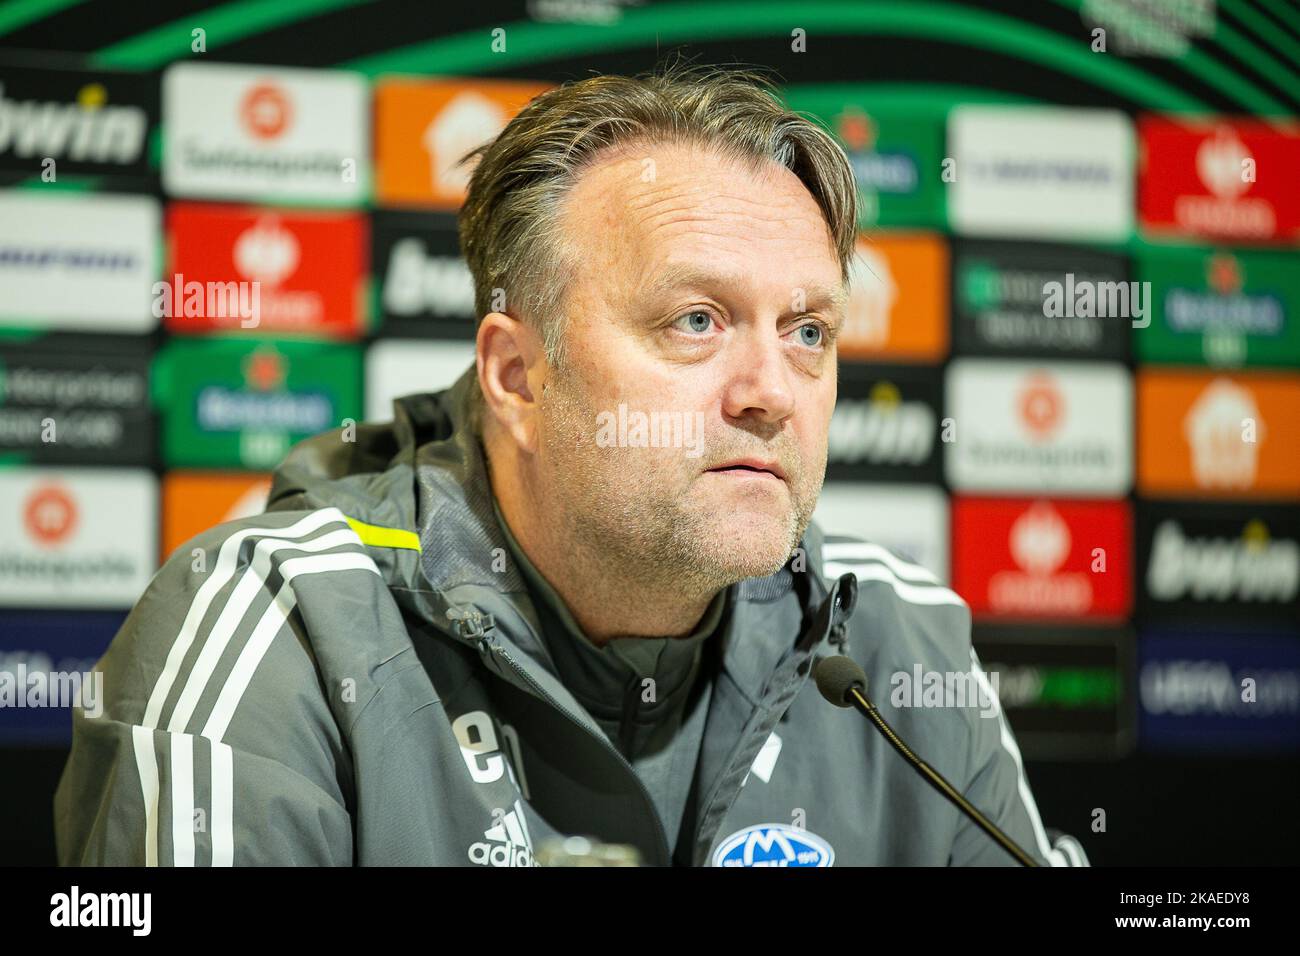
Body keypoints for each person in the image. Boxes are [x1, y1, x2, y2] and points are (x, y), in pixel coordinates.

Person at [54, 62, 1087, 867]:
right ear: (517, 374)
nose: (770, 388)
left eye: (808, 330)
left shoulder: (898, 638)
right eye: (696, 319)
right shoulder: (276, 632)